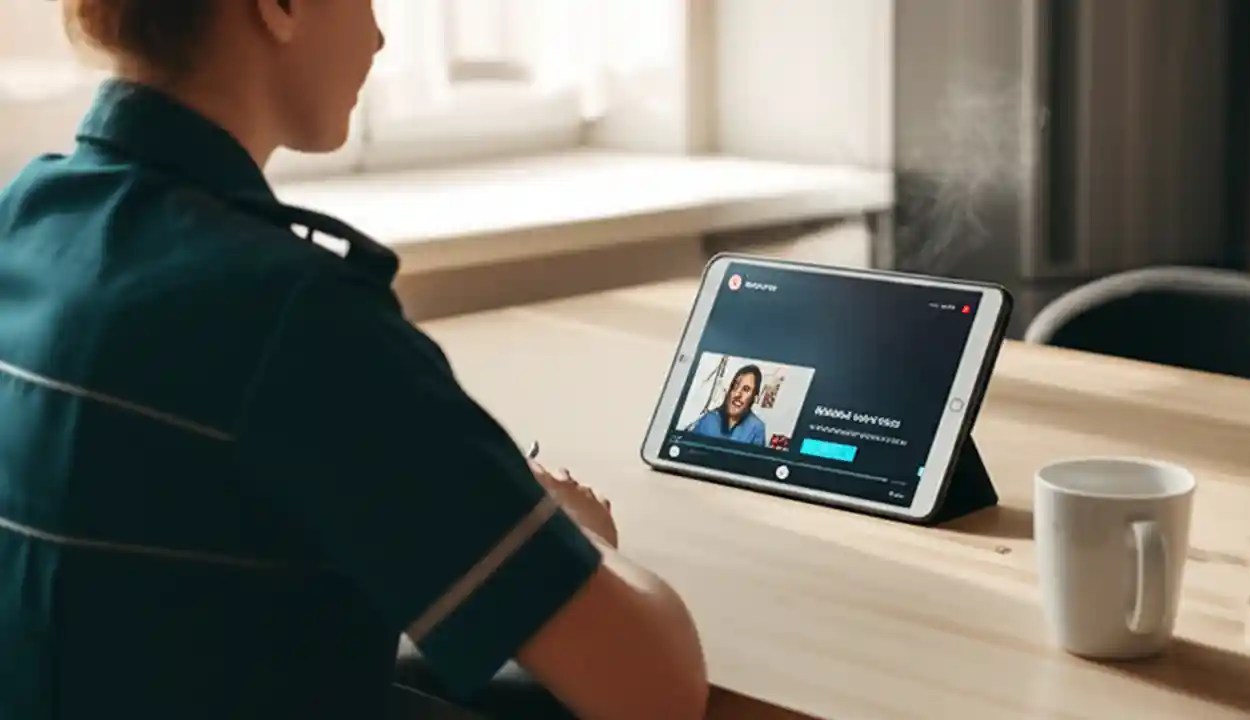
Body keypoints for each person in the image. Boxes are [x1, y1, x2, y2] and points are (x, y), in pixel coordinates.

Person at [0, 2, 707, 719]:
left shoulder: (25, 221)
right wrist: (572, 535)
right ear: (277, 7)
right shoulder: (294, 316)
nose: (378, 35)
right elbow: (658, 691)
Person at [688, 365, 768, 446]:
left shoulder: (756, 428)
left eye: (746, 389)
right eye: (735, 386)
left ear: (754, 397)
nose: (737, 394)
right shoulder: (709, 419)